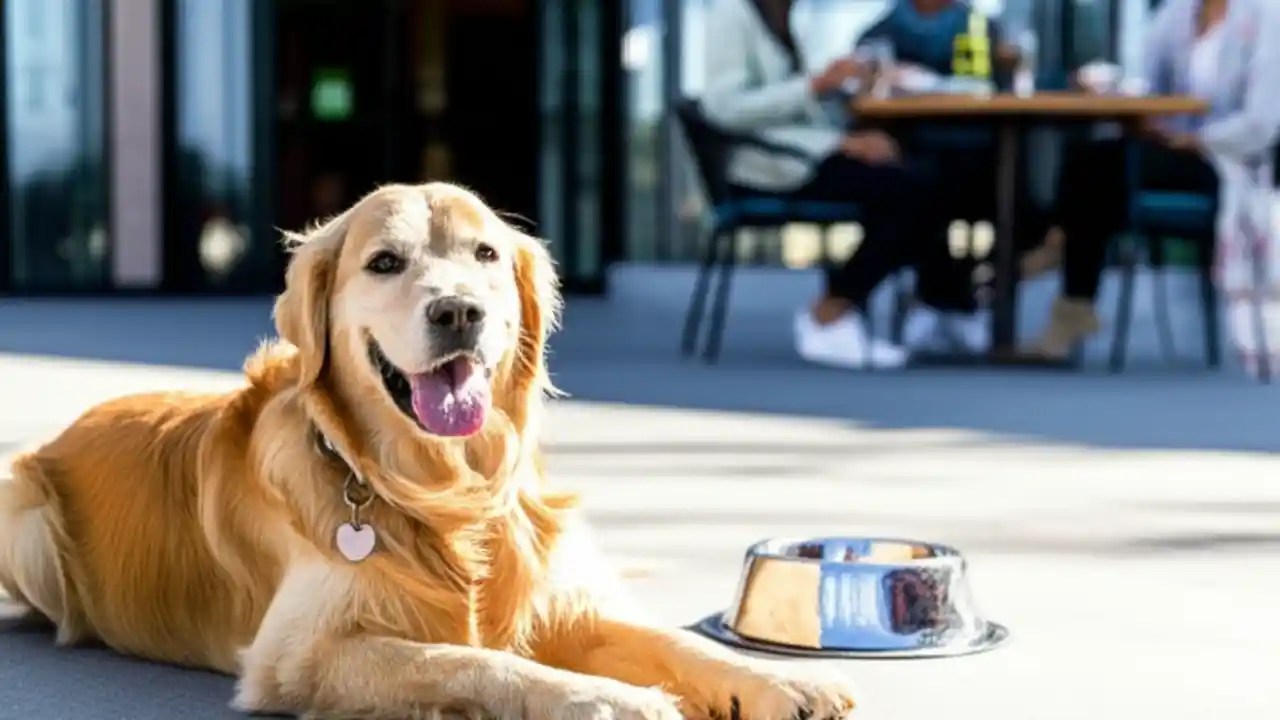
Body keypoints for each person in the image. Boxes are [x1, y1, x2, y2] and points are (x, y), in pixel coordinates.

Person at [701, 0, 975, 370]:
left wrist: (843, 100)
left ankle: (941, 302)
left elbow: (794, 102)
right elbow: (724, 107)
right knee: (910, 191)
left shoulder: (783, 18)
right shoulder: (734, 15)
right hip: (772, 167)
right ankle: (830, 312)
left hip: (804, 153)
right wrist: (824, 104)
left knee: (927, 176)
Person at [1024, 0, 1280, 360]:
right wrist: (1127, 103)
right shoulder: (1176, 14)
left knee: (1098, 168)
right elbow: (1147, 85)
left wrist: (1194, 140)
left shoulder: (1266, 18)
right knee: (1092, 161)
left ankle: (1059, 255)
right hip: (1167, 148)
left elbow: (1262, 123)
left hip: (1223, 160)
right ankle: (1068, 285)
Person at [852, 0, 1023, 355]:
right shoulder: (883, 31)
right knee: (916, 186)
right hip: (911, 151)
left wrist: (934, 82)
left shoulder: (978, 27)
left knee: (1018, 198)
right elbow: (861, 84)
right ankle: (945, 298)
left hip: (981, 153)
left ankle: (954, 297)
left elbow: (988, 86)